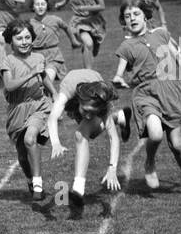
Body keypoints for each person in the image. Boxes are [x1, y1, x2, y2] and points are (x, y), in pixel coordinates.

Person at [111, 3, 181, 194]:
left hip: (168, 90)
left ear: (146, 17)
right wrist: (118, 79)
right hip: (145, 94)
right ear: (124, 22)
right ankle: (150, 163)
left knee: (176, 145)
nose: (132, 18)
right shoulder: (126, 46)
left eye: (136, 14)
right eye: (128, 16)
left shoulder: (160, 34)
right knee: (156, 134)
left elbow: (178, 57)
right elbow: (119, 73)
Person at [47, 71, 132, 207]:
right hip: (75, 87)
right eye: (85, 110)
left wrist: (112, 169)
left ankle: (78, 189)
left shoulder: (102, 101)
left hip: (95, 88)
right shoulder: (67, 91)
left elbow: (113, 138)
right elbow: (52, 118)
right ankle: (121, 116)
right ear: (79, 101)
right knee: (91, 132)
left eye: (92, 112)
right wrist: (56, 143)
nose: (87, 116)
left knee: (81, 134)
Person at [0, 20, 57, 200]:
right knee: (23, 157)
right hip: (17, 109)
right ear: (11, 41)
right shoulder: (7, 61)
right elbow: (9, 86)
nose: (24, 42)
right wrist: (31, 73)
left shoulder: (39, 58)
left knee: (30, 138)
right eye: (19, 38)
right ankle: (31, 180)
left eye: (27, 37)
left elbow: (43, 76)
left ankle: (38, 183)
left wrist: (54, 92)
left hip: (39, 105)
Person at [55, 0, 106, 69]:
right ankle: (89, 73)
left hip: (94, 21)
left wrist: (85, 8)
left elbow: (102, 6)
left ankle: (95, 42)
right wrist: (61, 3)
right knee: (88, 43)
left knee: (92, 45)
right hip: (78, 21)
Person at [29, 0, 74, 78]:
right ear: (33, 7)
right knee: (37, 82)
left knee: (48, 77)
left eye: (43, 4)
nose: (40, 7)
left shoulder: (55, 19)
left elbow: (66, 27)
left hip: (54, 56)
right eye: (37, 4)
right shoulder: (29, 24)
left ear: (47, 6)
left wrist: (73, 41)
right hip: (37, 56)